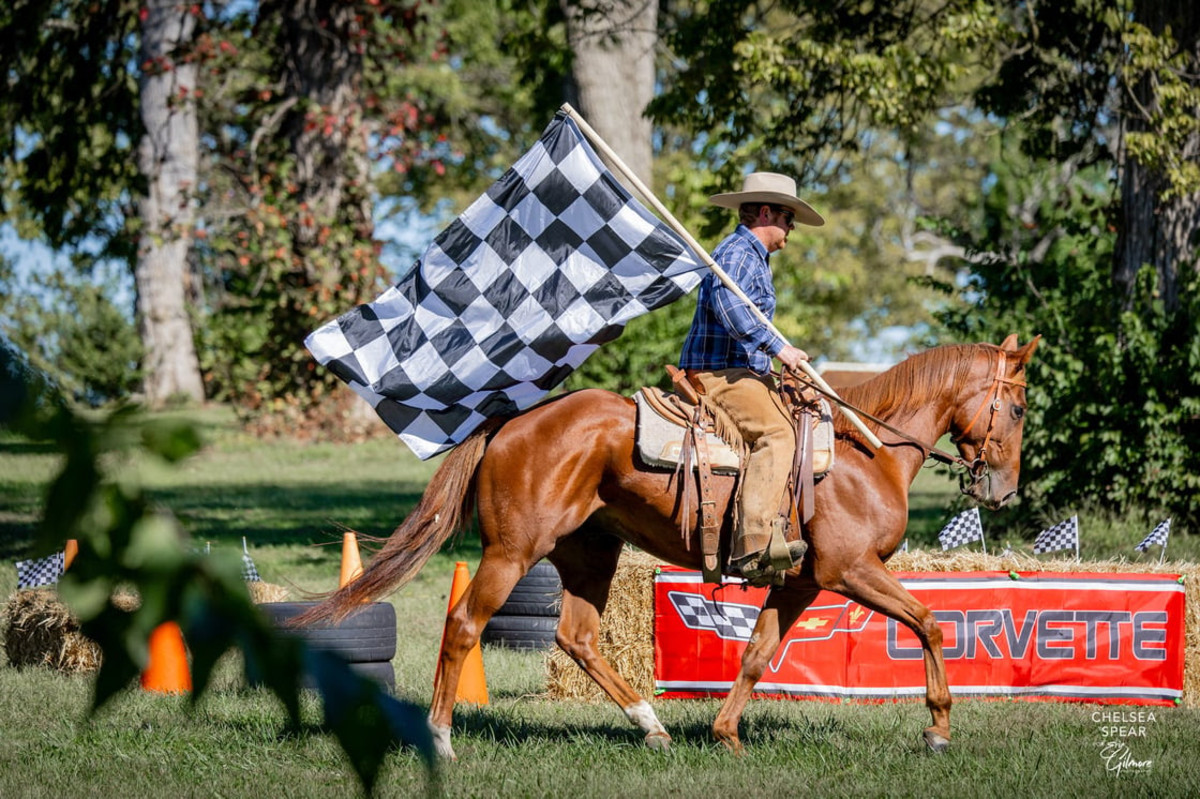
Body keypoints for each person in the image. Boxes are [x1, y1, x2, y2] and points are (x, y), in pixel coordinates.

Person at [678, 171, 825, 585]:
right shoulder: (740, 253)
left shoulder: (751, 256)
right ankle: (755, 544)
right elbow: (731, 310)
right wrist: (780, 349)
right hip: (718, 374)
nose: (791, 227)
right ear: (765, 212)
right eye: (787, 217)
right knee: (778, 434)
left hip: (738, 369)